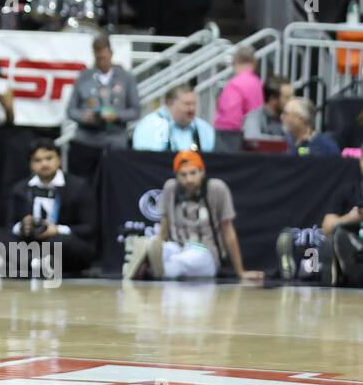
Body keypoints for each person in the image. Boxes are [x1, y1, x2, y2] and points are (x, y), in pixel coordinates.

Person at [125, 151, 261, 283]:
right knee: (157, 245)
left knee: (179, 262)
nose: (188, 179)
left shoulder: (217, 188)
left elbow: (228, 231)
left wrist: (240, 271)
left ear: (202, 172)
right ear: (176, 175)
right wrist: (157, 243)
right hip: (178, 246)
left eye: (193, 173)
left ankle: (153, 271)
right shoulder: (170, 188)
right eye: (183, 175)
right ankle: (149, 263)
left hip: (205, 252)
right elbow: (164, 229)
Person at [0, 139, 95, 274]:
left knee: (61, 242)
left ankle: (22, 262)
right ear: (31, 164)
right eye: (37, 160)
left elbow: (89, 228)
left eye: (49, 158)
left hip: (61, 241)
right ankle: (36, 263)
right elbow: (10, 224)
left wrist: (56, 230)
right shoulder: (21, 188)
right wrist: (23, 227)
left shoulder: (78, 187)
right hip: (31, 242)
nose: (44, 164)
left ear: (59, 160)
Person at [66, 32, 139, 150]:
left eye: (104, 57)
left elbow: (135, 111)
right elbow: (71, 110)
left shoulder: (126, 78)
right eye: (98, 57)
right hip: (86, 139)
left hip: (115, 139)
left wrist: (117, 115)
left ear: (111, 53)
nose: (101, 61)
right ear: (94, 54)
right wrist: (83, 117)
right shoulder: (84, 77)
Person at [131, 85, 215, 152]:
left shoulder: (204, 128)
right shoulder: (149, 126)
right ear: (170, 103)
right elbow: (146, 160)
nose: (192, 109)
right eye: (187, 104)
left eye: (194, 104)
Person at [214, 45, 263, 132]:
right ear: (254, 62)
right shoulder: (258, 83)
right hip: (255, 135)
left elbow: (229, 120)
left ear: (234, 62)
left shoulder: (234, 85)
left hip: (235, 138)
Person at [243, 75, 292, 142]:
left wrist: (303, 149)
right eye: (287, 97)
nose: (292, 101)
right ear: (273, 99)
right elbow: (252, 140)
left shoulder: (293, 117)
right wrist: (287, 141)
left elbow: (302, 149)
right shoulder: (254, 117)